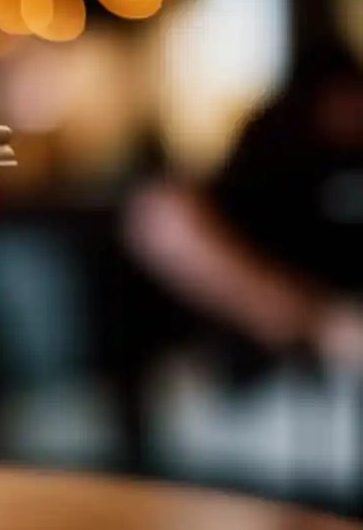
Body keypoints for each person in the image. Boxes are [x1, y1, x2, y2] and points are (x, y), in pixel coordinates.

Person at [127, 41, 363, 375]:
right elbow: (160, 217)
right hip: (267, 370)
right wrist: (316, 320)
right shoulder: (273, 152)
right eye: (345, 98)